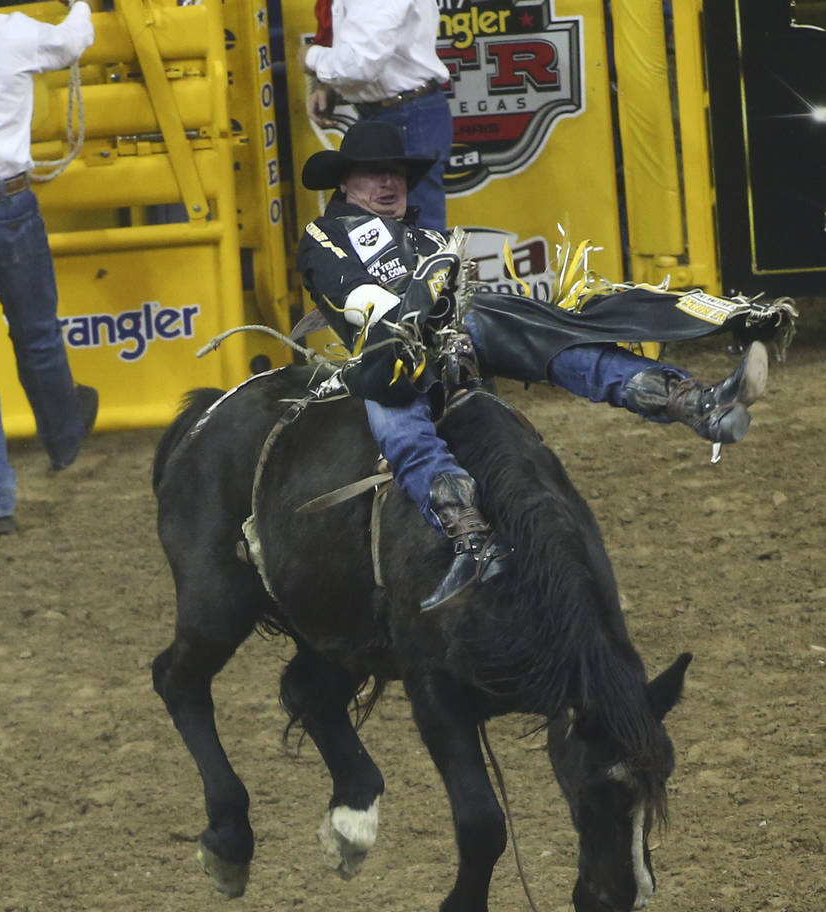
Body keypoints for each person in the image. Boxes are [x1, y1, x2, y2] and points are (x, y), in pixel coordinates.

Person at [298, 123, 790, 611]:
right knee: (400, 422)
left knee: (557, 340)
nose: (388, 184)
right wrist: (407, 317)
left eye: (396, 174)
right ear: (346, 184)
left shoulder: (428, 239)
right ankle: (471, 538)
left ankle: (691, 402)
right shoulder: (327, 235)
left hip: (460, 338)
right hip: (392, 355)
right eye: (373, 175)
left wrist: (443, 306)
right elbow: (347, 292)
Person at [0, 0, 98, 537]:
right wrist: (82, 4)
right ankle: (62, 436)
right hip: (8, 202)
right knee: (35, 331)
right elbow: (74, 40)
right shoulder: (13, 33)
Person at [298, 0, 452, 232]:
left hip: (405, 114)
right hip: (398, 110)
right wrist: (332, 86)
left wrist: (310, 57)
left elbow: (358, 65)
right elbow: (372, 51)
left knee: (418, 234)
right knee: (378, 232)